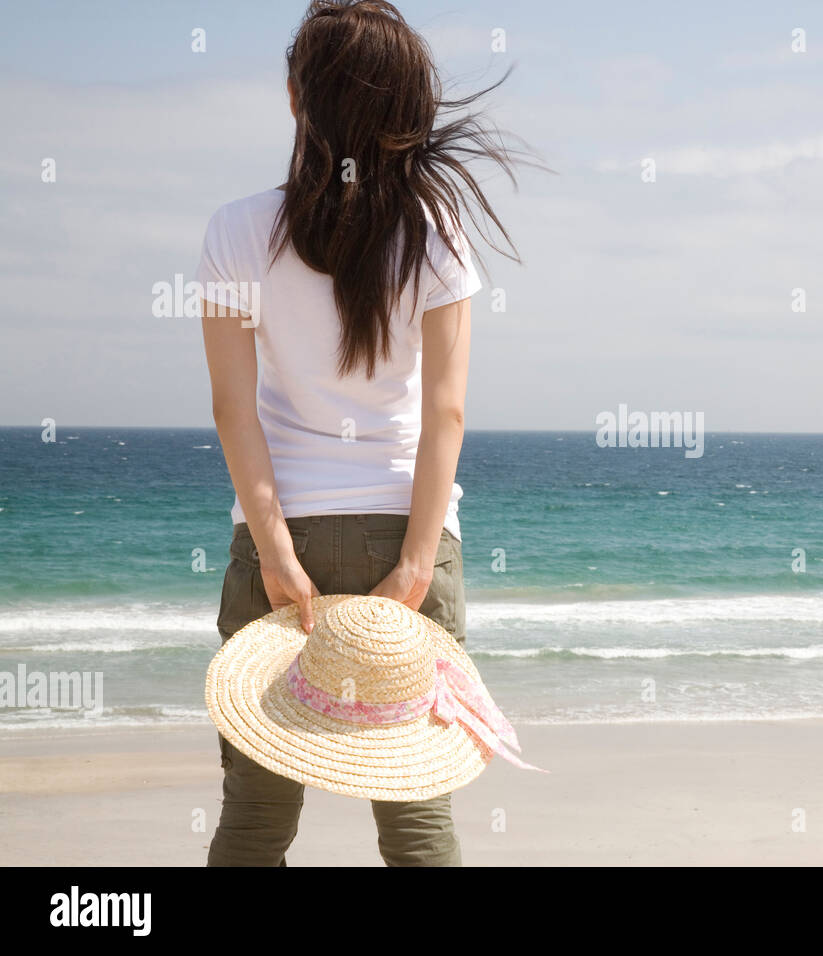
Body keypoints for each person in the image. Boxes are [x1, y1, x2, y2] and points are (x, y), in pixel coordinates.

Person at [197, 0, 526, 866]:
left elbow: (234, 410)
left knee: (255, 820)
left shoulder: (235, 230)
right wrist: (415, 567)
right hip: (406, 534)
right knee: (416, 822)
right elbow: (446, 412)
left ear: (295, 98)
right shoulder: (437, 232)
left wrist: (275, 553)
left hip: (284, 537)